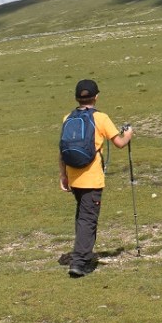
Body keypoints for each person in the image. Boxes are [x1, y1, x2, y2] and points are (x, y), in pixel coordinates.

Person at [59, 78, 133, 278]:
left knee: (82, 215)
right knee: (88, 218)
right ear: (96, 97)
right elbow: (119, 143)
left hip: (74, 175)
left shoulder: (68, 118)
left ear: (76, 98)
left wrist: (63, 175)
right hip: (92, 178)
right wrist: (129, 134)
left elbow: (62, 150)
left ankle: (83, 252)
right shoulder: (101, 118)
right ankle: (79, 262)